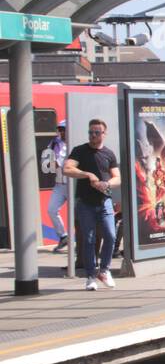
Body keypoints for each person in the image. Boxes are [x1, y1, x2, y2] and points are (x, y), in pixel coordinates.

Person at [61, 119, 121, 291]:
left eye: (96, 132)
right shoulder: (80, 151)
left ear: (104, 134)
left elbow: (117, 177)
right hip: (85, 202)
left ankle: (105, 270)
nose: (93, 135)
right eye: (90, 132)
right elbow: (67, 169)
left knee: (110, 235)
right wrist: (87, 174)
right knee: (88, 240)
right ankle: (90, 276)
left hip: (104, 201)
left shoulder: (109, 154)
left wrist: (107, 184)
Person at [45, 120, 69, 250]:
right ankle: (63, 236)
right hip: (60, 184)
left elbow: (57, 163)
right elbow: (48, 160)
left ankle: (84, 242)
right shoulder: (55, 142)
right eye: (60, 129)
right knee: (52, 210)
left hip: (73, 184)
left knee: (79, 214)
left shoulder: (76, 142)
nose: (61, 132)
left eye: (64, 129)